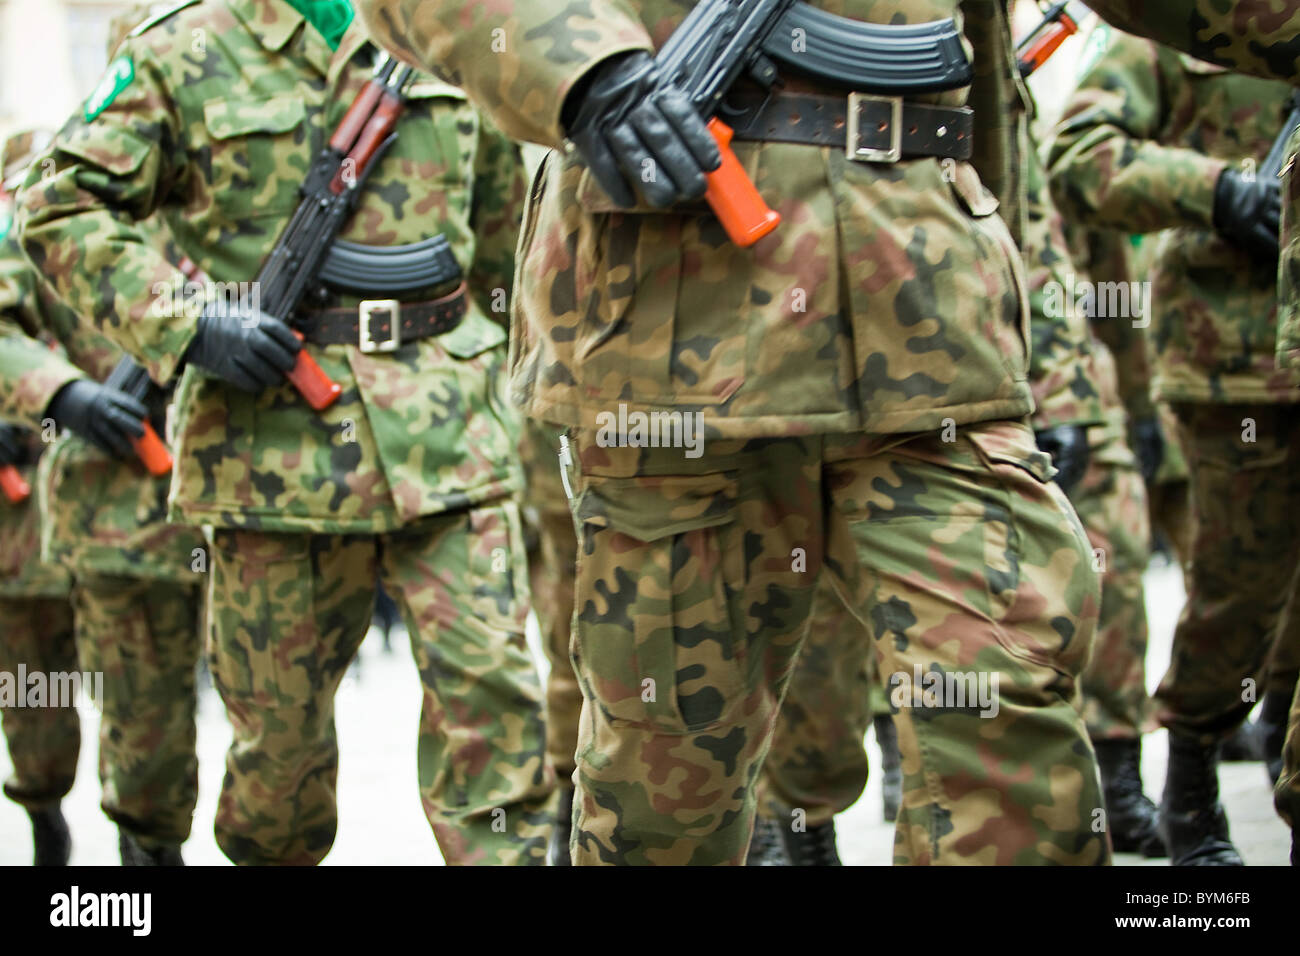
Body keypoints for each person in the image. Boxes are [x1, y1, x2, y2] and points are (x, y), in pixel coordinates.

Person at [359, 0, 1109, 866]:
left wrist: (1033, 346)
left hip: (928, 335)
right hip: (677, 351)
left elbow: (986, 88)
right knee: (664, 791)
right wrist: (583, 69)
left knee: (1006, 707)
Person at [18, 0, 556, 865]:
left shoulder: (443, 25)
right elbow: (57, 203)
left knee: (496, 714)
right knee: (280, 759)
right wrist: (191, 323)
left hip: (450, 444)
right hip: (270, 459)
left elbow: (496, 240)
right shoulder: (185, 46)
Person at [1049, 22, 1298, 864]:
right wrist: (1218, 191)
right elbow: (1079, 155)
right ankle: (1191, 777)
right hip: (1237, 359)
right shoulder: (1177, 21)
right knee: (1239, 596)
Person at [0, 130, 80, 866]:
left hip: (117, 508)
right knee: (34, 683)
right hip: (19, 527)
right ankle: (45, 813)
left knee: (140, 697)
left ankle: (146, 839)